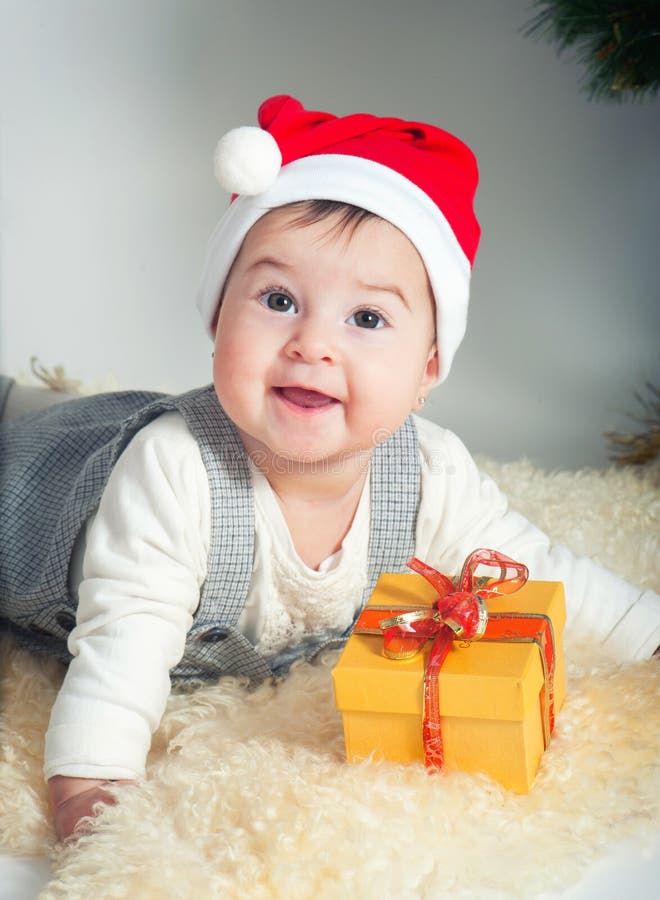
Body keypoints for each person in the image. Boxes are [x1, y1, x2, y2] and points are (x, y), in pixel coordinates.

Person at [1, 95, 658, 843]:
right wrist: (91, 782)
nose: (312, 344)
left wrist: (647, 631)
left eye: (367, 319)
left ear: (427, 369)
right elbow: (124, 641)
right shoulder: (173, 470)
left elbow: (534, 566)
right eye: (279, 299)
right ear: (217, 320)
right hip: (37, 505)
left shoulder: (430, 474)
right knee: (39, 441)